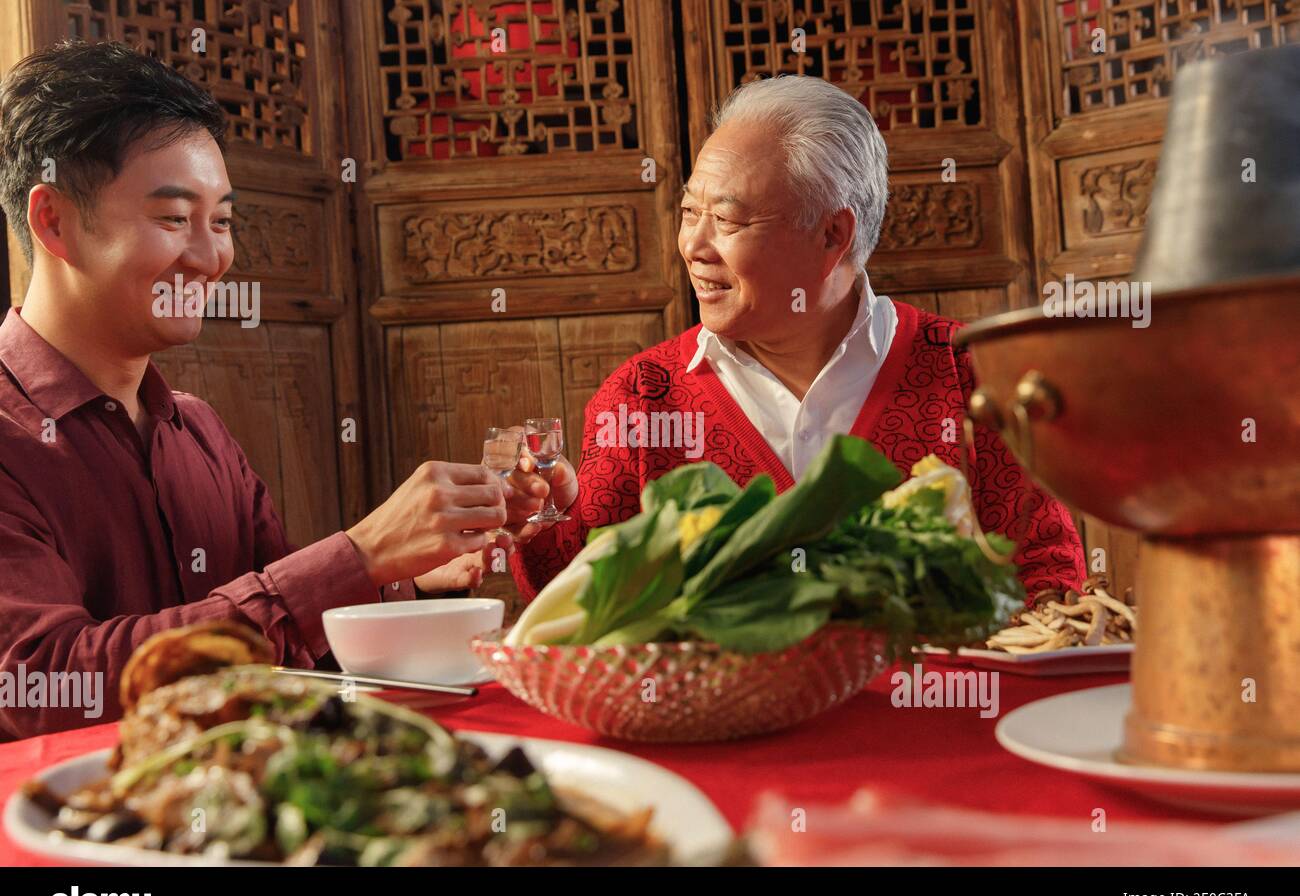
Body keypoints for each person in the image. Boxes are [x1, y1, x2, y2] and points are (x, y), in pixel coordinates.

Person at [0, 41, 549, 738]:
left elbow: (286, 639)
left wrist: (418, 563)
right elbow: (44, 682)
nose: (211, 257)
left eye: (222, 221)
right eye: (174, 219)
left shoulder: (197, 431)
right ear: (55, 221)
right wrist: (359, 555)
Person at [509, 75, 1085, 601]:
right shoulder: (641, 398)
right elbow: (581, 606)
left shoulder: (975, 376)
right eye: (689, 212)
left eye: (728, 222)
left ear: (833, 234)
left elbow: (1047, 580)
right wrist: (540, 518)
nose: (692, 246)